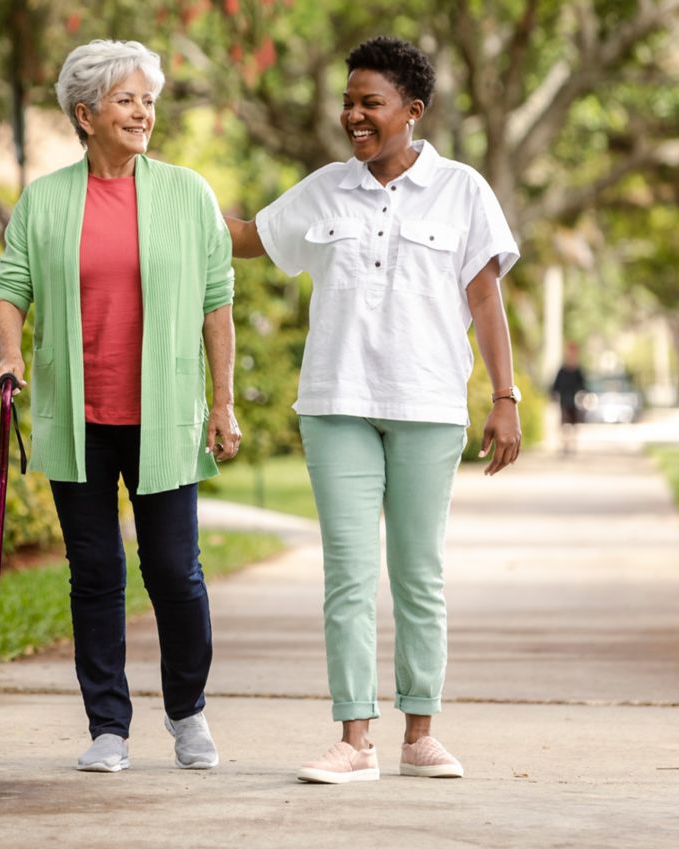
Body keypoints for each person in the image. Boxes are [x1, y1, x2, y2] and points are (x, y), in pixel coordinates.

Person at [223, 36, 522, 783]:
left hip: (427, 404)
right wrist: (163, 188)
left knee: (418, 572)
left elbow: (484, 297)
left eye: (369, 103)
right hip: (336, 402)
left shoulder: (462, 190)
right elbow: (247, 239)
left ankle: (420, 732)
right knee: (347, 574)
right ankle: (353, 738)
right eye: (347, 101)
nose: (352, 114)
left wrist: (504, 396)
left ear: (411, 112)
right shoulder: (324, 188)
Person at [0, 39, 240, 773]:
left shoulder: (185, 193)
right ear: (85, 113)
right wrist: (8, 354)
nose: (142, 112)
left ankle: (187, 712)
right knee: (94, 570)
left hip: (163, 416)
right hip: (79, 417)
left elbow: (215, 304)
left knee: (174, 570)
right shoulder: (45, 199)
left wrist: (222, 402)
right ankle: (107, 726)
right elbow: (10, 289)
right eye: (126, 100)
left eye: (148, 100)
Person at [551, 342, 587, 455]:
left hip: (575, 402)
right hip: (564, 402)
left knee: (574, 425)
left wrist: (581, 397)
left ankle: (572, 445)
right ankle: (565, 445)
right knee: (564, 424)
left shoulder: (578, 371)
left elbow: (583, 387)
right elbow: (555, 386)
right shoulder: (562, 370)